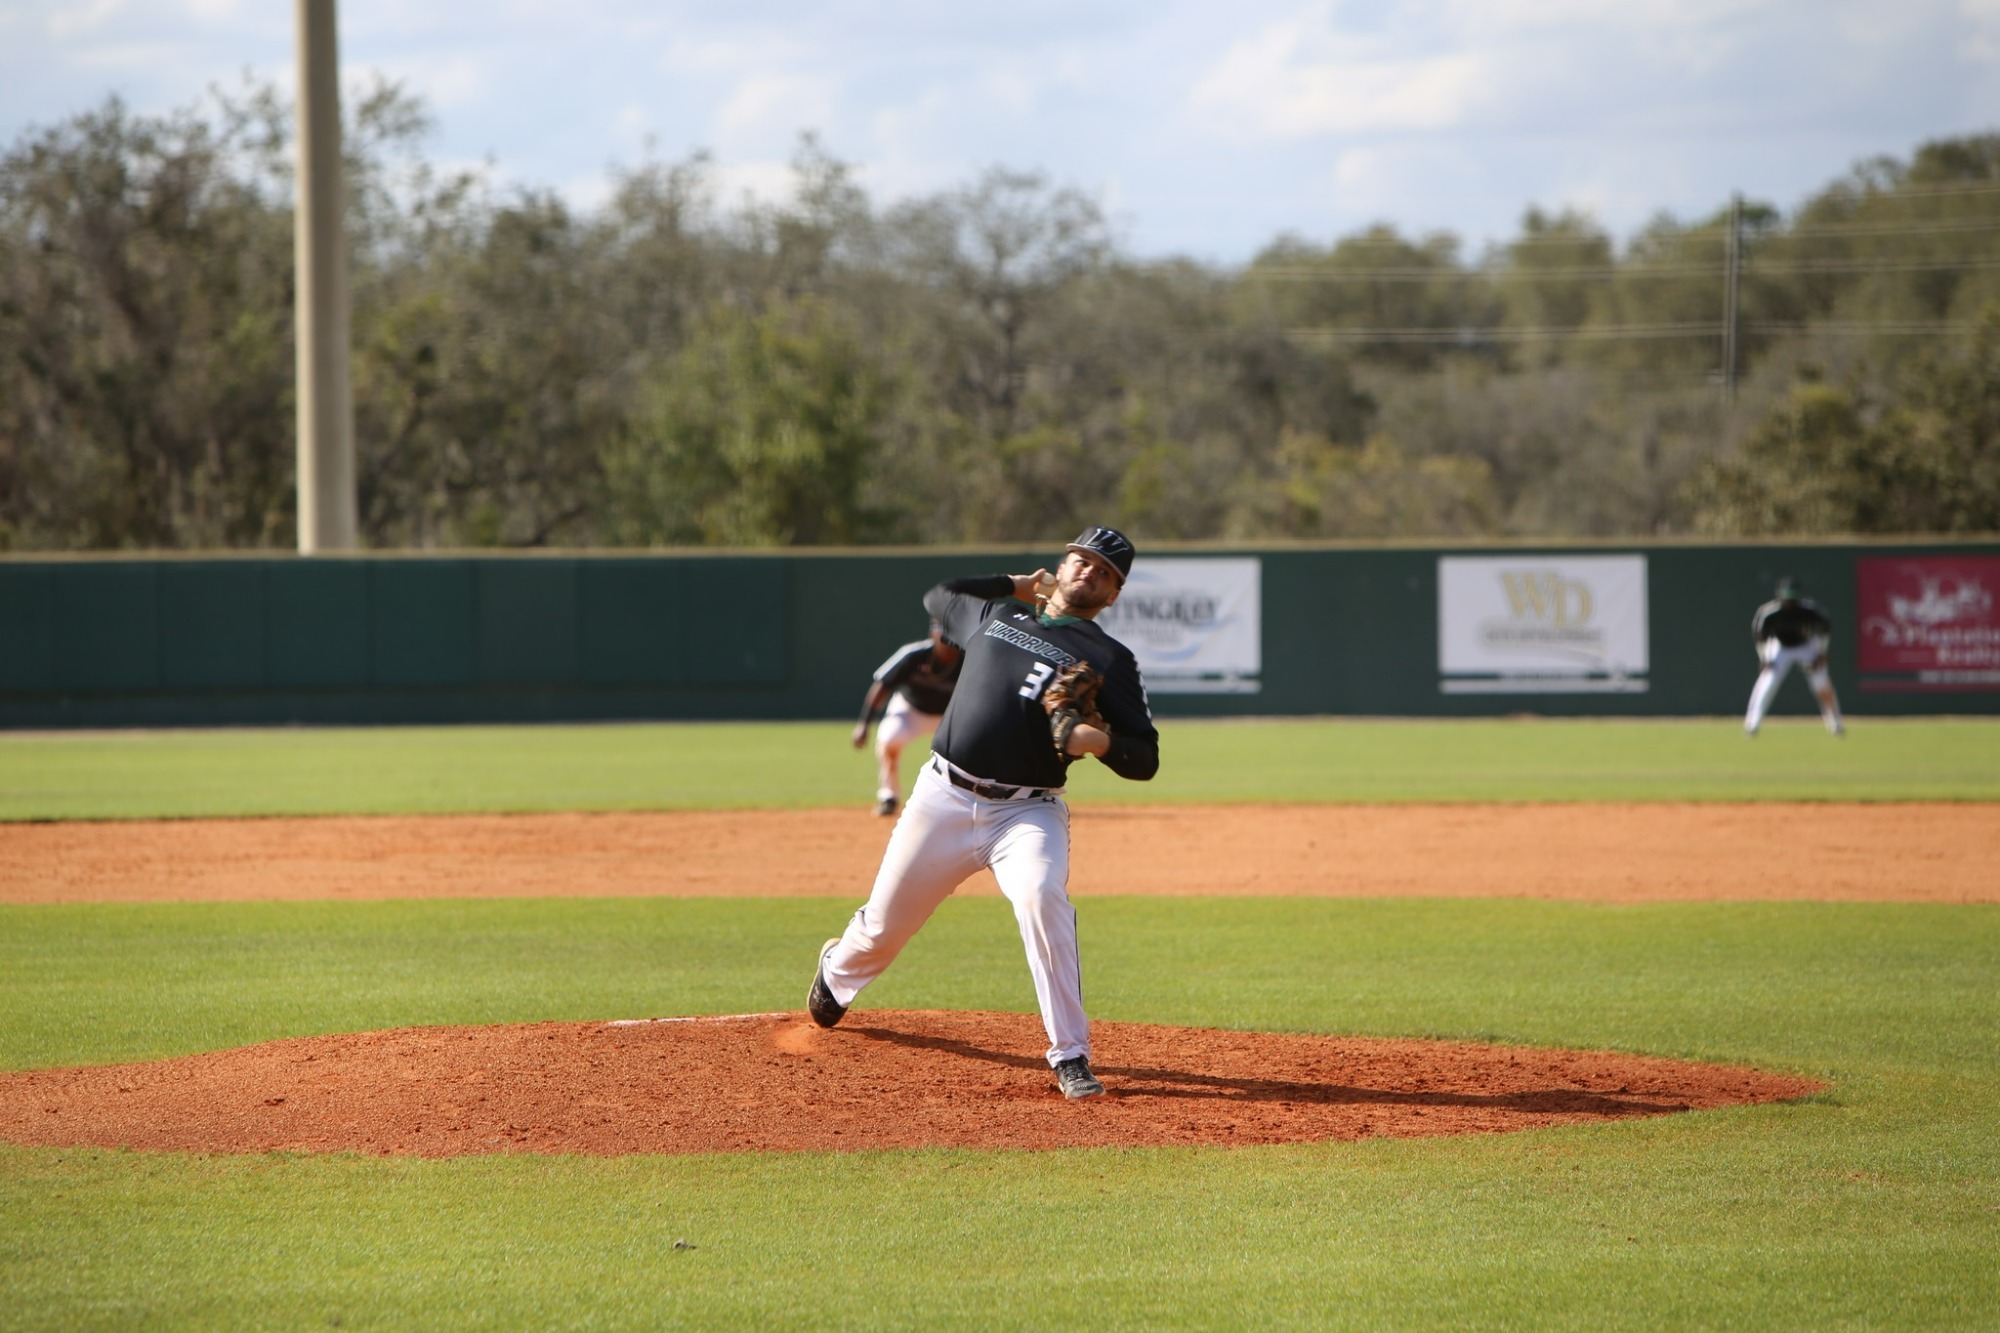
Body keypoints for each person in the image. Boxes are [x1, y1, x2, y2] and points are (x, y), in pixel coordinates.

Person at [807, 526, 1159, 1100]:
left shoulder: (1110, 659)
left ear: (1113, 594)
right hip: (942, 798)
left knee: (1042, 896)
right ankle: (836, 972)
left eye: (1105, 572)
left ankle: (1070, 1054)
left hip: (1026, 815)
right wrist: (1013, 585)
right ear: (1063, 564)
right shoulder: (998, 616)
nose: (1090, 573)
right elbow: (940, 596)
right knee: (881, 930)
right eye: (1083, 560)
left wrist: (1096, 742)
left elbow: (1144, 758)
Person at [852, 621, 962, 817]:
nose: (948, 641)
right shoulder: (913, 655)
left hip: (948, 716)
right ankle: (889, 797)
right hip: (910, 710)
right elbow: (882, 686)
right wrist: (864, 724)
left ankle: (958, 803)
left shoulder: (967, 660)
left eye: (953, 636)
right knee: (889, 740)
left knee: (963, 756)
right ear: (933, 635)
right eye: (943, 635)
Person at [1744, 576, 1845, 736]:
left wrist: (1821, 653)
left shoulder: (1809, 610)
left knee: (1821, 684)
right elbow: (1760, 636)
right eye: (1787, 598)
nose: (1790, 602)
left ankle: (1835, 724)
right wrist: (1764, 658)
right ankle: (1752, 724)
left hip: (1807, 644)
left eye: (1792, 598)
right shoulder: (1770, 612)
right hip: (1780, 647)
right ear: (1779, 595)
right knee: (1767, 682)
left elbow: (1824, 629)